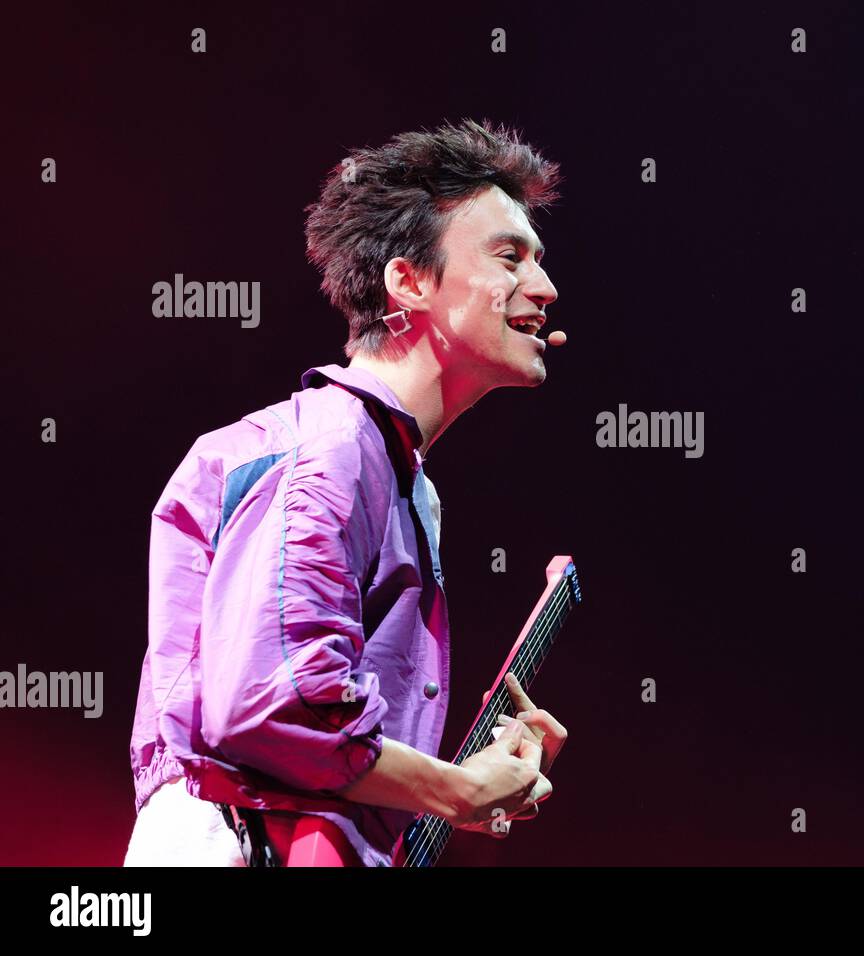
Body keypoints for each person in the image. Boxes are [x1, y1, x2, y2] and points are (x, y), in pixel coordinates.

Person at [125, 119, 569, 866]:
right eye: (508, 256)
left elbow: (325, 751)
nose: (546, 288)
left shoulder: (402, 482)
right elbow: (275, 702)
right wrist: (456, 789)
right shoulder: (331, 447)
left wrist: (478, 785)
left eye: (540, 260)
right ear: (409, 281)